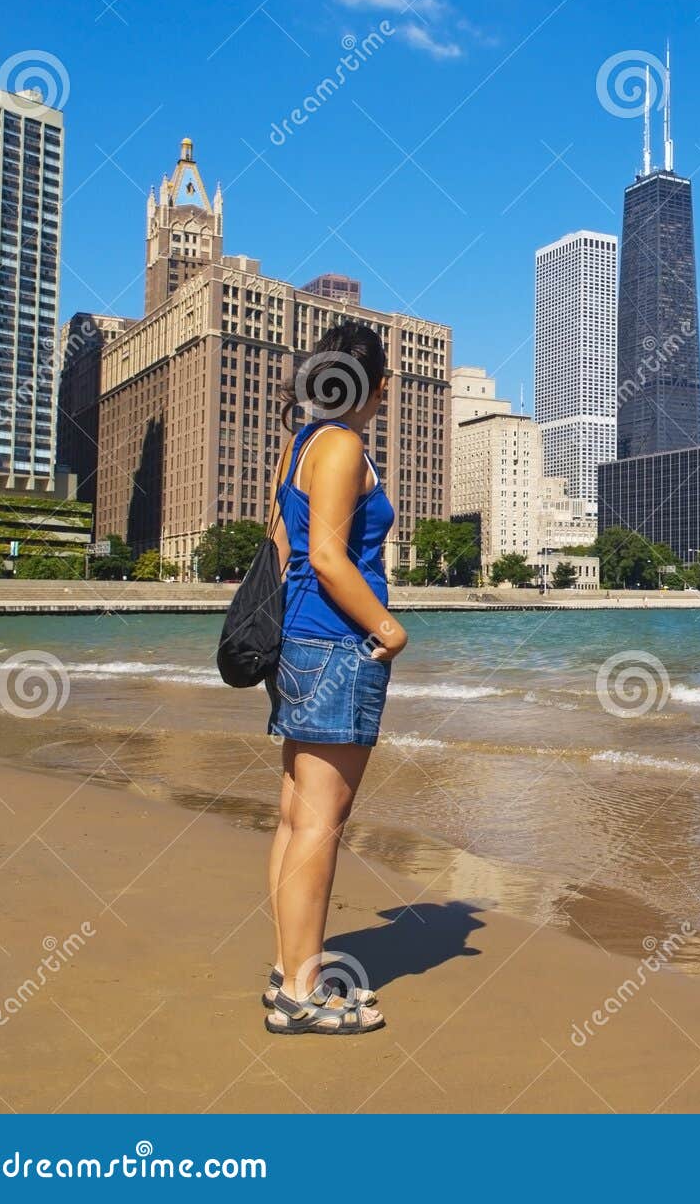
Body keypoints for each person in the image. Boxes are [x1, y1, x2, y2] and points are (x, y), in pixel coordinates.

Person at [261, 321, 407, 1036]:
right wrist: (388, 627)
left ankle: (291, 968)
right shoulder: (345, 445)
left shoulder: (304, 443)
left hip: (299, 646)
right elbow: (325, 557)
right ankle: (300, 993)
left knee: (295, 817)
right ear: (375, 386)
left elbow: (279, 547)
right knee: (320, 824)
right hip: (338, 647)